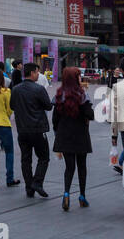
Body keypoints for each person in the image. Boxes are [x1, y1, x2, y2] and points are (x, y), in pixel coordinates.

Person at [10, 61, 54, 198]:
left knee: (25, 159)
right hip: (37, 129)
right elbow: (48, 106)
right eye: (37, 72)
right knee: (44, 157)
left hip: (22, 129)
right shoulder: (39, 89)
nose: (38, 75)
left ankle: (29, 188)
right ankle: (37, 182)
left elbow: (12, 106)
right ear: (32, 73)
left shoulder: (16, 89)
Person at [52, 66, 93, 210]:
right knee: (82, 166)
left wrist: (58, 132)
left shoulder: (59, 95)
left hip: (65, 134)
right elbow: (90, 115)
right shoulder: (82, 95)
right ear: (75, 78)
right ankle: (82, 196)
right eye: (79, 76)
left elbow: (55, 119)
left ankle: (66, 193)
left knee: (69, 167)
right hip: (80, 134)